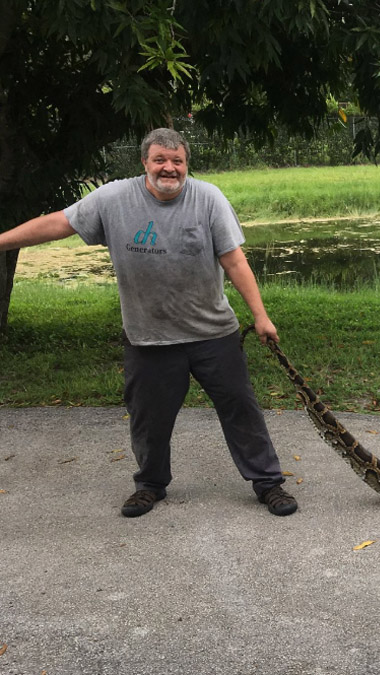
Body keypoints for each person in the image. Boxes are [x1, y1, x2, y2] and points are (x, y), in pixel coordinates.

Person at [0, 128, 297, 517]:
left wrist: (261, 316)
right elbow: (59, 223)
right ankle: (150, 485)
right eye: (160, 160)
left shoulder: (208, 199)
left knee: (241, 408)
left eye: (177, 161)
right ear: (144, 163)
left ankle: (268, 483)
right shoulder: (113, 198)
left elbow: (234, 260)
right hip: (148, 337)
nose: (169, 168)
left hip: (213, 334)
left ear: (186, 164)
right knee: (148, 419)